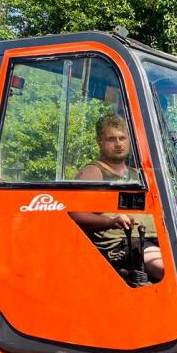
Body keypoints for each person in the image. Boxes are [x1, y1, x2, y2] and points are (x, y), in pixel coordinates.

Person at [70, 115, 164, 284]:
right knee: (164, 268)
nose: (119, 144)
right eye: (111, 139)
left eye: (122, 138)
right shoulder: (93, 172)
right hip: (123, 243)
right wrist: (111, 221)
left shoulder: (137, 174)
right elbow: (75, 214)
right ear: (100, 142)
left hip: (154, 238)